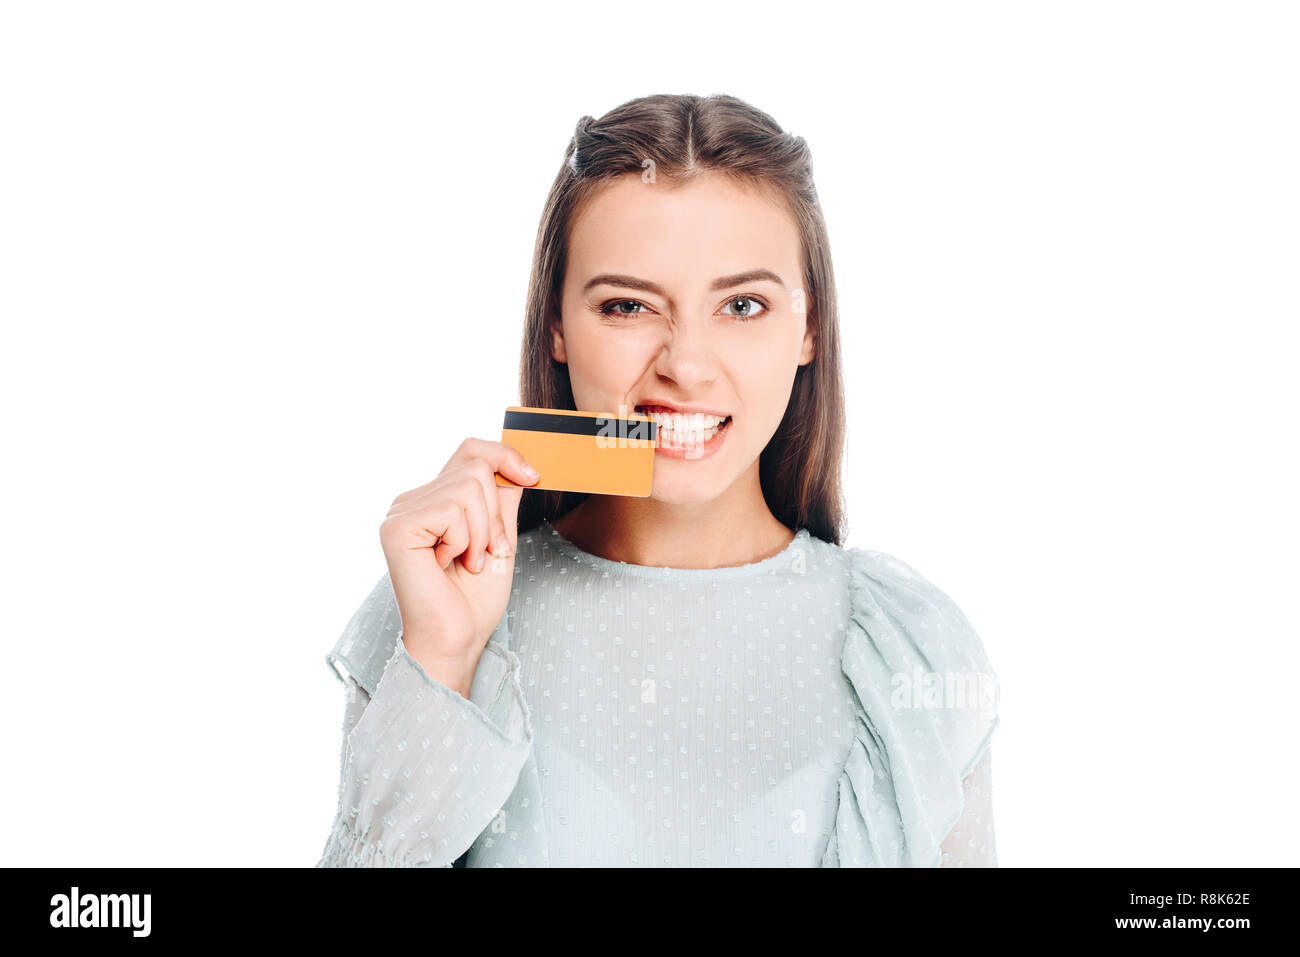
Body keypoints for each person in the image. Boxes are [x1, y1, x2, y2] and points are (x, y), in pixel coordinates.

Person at [316, 93, 1001, 868]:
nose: (686, 365)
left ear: (810, 328)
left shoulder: (912, 649)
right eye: (628, 305)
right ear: (557, 327)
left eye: (743, 304)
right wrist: (441, 660)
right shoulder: (440, 610)